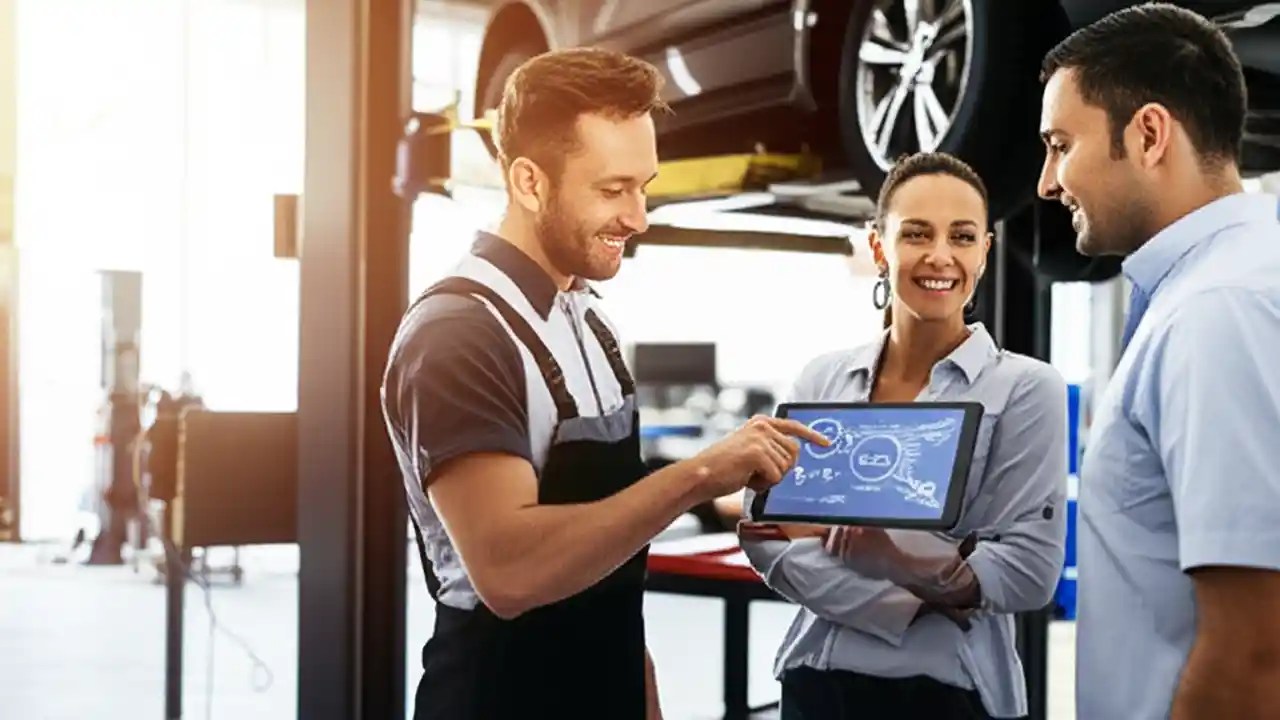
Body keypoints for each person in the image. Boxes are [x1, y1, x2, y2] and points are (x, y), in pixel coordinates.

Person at [379, 47, 826, 720]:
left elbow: (613, 566)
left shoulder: (592, 323)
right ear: (530, 183)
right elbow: (509, 572)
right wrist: (702, 475)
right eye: (613, 189)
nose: (639, 217)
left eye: (643, 186)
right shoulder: (459, 333)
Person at [738, 152, 1069, 720]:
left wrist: (886, 556)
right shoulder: (823, 378)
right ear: (877, 247)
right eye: (916, 233)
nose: (940, 256)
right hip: (816, 682)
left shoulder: (1025, 389)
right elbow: (764, 531)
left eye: (962, 237)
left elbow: (1027, 572)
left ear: (984, 253)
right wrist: (913, 595)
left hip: (949, 694)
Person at [1036, 5, 1280, 718]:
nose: (1048, 182)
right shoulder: (1225, 284)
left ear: (1147, 134)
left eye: (1059, 144)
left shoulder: (1218, 310)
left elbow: (1255, 649)